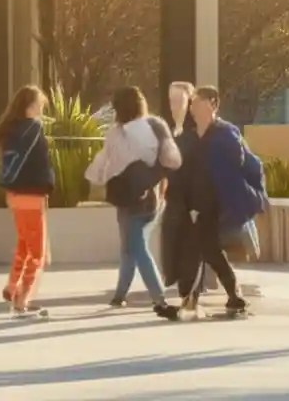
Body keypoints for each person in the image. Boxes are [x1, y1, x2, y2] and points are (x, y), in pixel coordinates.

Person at [85, 86, 182, 321]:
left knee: (136, 248)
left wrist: (93, 177)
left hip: (126, 198)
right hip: (152, 196)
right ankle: (119, 295)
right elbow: (173, 160)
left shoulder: (115, 133)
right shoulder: (155, 125)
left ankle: (160, 300)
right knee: (130, 246)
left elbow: (103, 165)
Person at [174, 86, 259, 315]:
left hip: (216, 201)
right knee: (203, 248)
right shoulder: (190, 135)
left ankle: (205, 295)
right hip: (193, 202)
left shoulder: (225, 132)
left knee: (204, 247)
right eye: (192, 104)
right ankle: (226, 294)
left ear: (212, 104)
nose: (193, 108)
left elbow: (237, 160)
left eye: (198, 103)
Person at [0, 85, 53, 317]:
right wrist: (48, 187)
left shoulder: (9, 129)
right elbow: (43, 165)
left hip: (14, 196)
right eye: (39, 105)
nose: (41, 110)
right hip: (33, 196)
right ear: (30, 106)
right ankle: (22, 299)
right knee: (37, 253)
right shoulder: (34, 129)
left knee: (24, 246)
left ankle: (13, 287)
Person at [160, 81, 197, 289]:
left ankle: (188, 288)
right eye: (170, 101)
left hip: (190, 200)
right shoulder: (172, 131)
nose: (173, 106)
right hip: (173, 198)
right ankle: (175, 280)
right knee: (171, 241)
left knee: (188, 247)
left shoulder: (193, 133)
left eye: (178, 100)